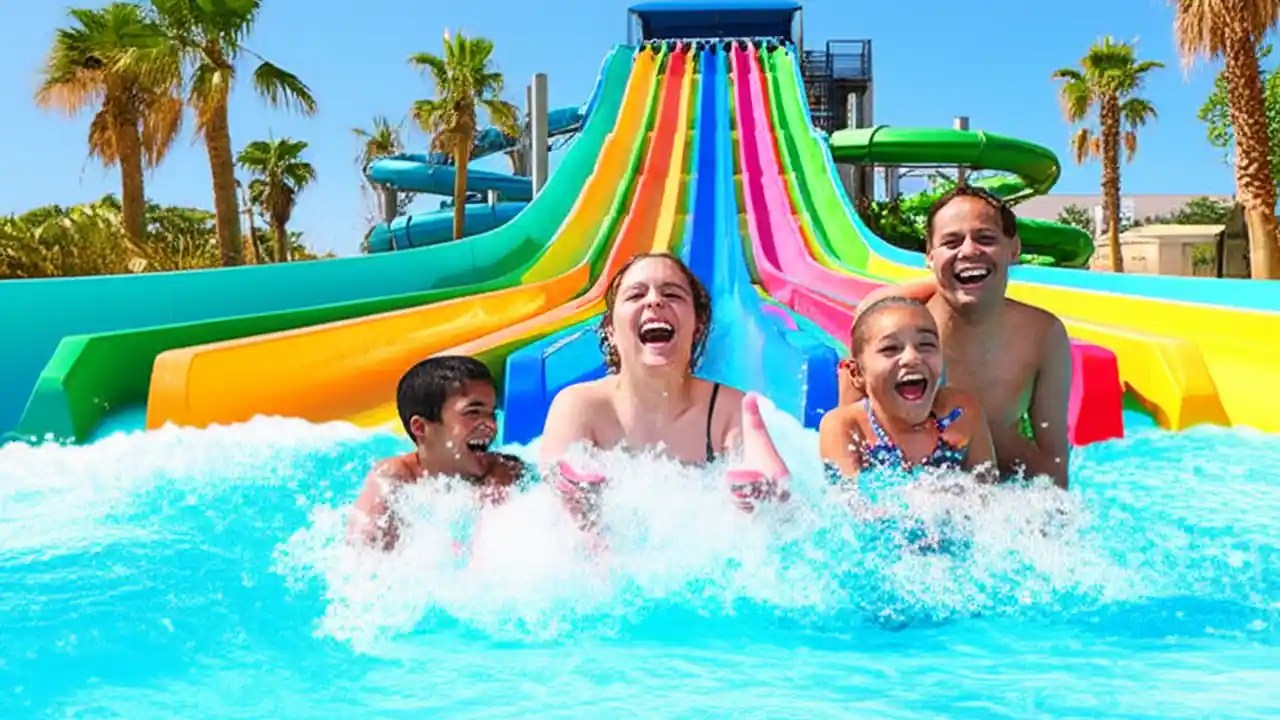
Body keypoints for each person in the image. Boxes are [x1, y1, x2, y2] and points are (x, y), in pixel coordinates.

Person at [844, 185, 1072, 488]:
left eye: (986, 238)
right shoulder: (885, 333)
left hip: (998, 493)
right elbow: (846, 440)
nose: (968, 250)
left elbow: (1053, 472)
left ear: (1013, 249)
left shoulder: (1042, 335)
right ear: (930, 256)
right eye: (951, 242)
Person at [538, 252, 791, 519]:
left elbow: (773, 516)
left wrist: (772, 500)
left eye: (672, 295)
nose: (655, 301)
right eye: (636, 295)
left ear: (697, 325)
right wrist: (581, 516)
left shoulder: (729, 411)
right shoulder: (579, 408)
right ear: (611, 331)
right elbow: (554, 518)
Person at [347, 355, 527, 550]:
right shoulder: (394, 477)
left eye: (492, 414)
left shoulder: (501, 471)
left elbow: (492, 547)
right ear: (420, 428)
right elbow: (361, 552)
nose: (491, 425)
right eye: (473, 412)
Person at [818, 296, 997, 488]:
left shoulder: (962, 414)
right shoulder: (846, 428)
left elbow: (989, 498)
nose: (912, 358)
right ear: (857, 373)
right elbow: (850, 509)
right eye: (890, 348)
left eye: (926, 345)